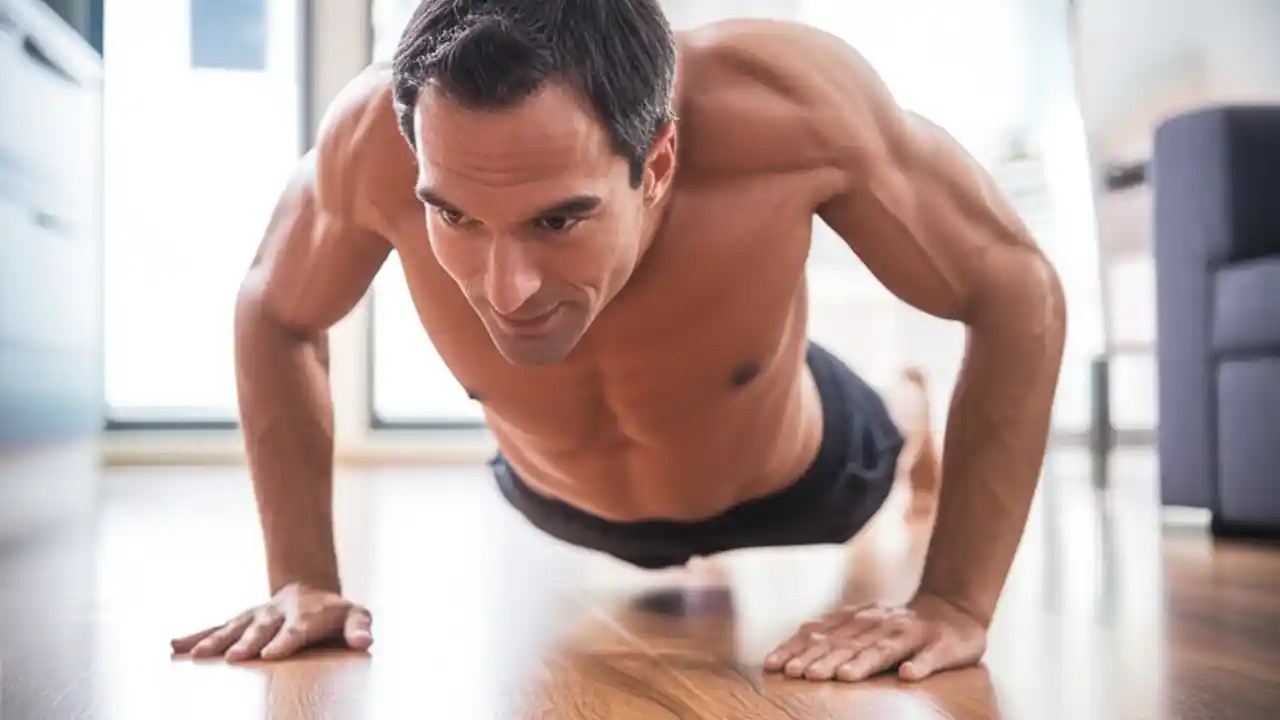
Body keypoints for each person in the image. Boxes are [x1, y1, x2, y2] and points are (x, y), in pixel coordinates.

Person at [169, 0, 1065, 684]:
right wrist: (302, 578)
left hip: (809, 479)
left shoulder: (789, 110)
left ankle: (902, 407)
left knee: (884, 426)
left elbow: (1015, 287)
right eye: (455, 215)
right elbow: (275, 312)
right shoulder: (368, 141)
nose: (505, 289)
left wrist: (954, 598)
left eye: (559, 219)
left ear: (660, 162)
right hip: (556, 496)